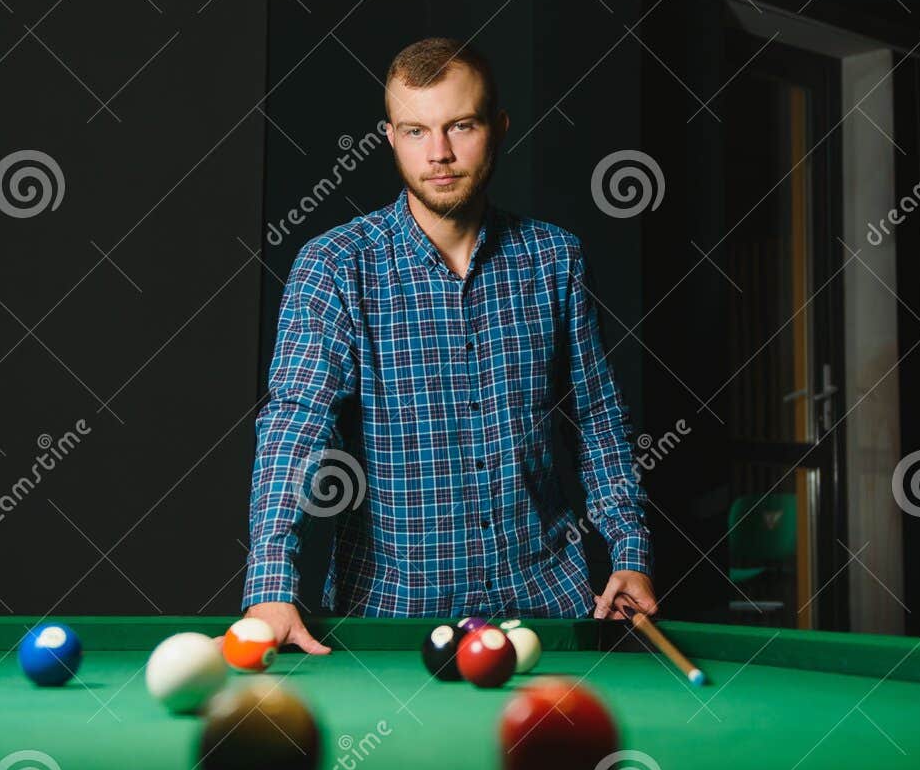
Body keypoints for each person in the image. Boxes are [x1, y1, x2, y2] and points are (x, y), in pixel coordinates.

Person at [243, 37, 656, 654]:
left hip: (546, 612)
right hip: (392, 620)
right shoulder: (336, 265)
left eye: (460, 126)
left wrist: (630, 549)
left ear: (498, 127)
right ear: (390, 136)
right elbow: (296, 422)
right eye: (415, 131)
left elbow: (596, 419)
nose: (438, 153)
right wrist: (271, 580)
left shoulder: (555, 259)